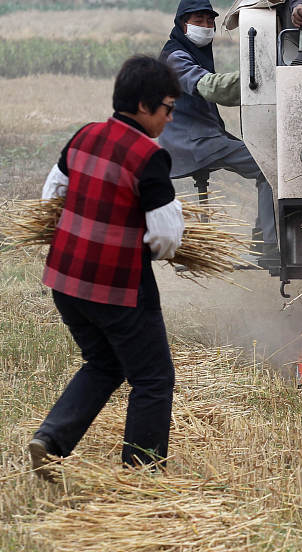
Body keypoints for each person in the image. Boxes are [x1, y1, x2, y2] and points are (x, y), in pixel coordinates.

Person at [30, 56, 185, 480]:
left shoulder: (84, 135)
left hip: (64, 280)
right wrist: (139, 247)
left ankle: (50, 438)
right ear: (142, 106)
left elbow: (51, 194)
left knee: (104, 363)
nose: (170, 118)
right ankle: (142, 476)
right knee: (153, 379)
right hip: (116, 287)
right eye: (167, 108)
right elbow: (166, 238)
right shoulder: (150, 157)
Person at [158, 0, 280, 274]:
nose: (206, 26)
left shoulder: (190, 52)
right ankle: (268, 245)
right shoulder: (175, 57)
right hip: (193, 141)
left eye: (210, 21)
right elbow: (212, 88)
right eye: (198, 20)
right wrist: (262, 75)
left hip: (203, 136)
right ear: (182, 25)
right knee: (268, 165)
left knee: (263, 157)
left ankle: (264, 240)